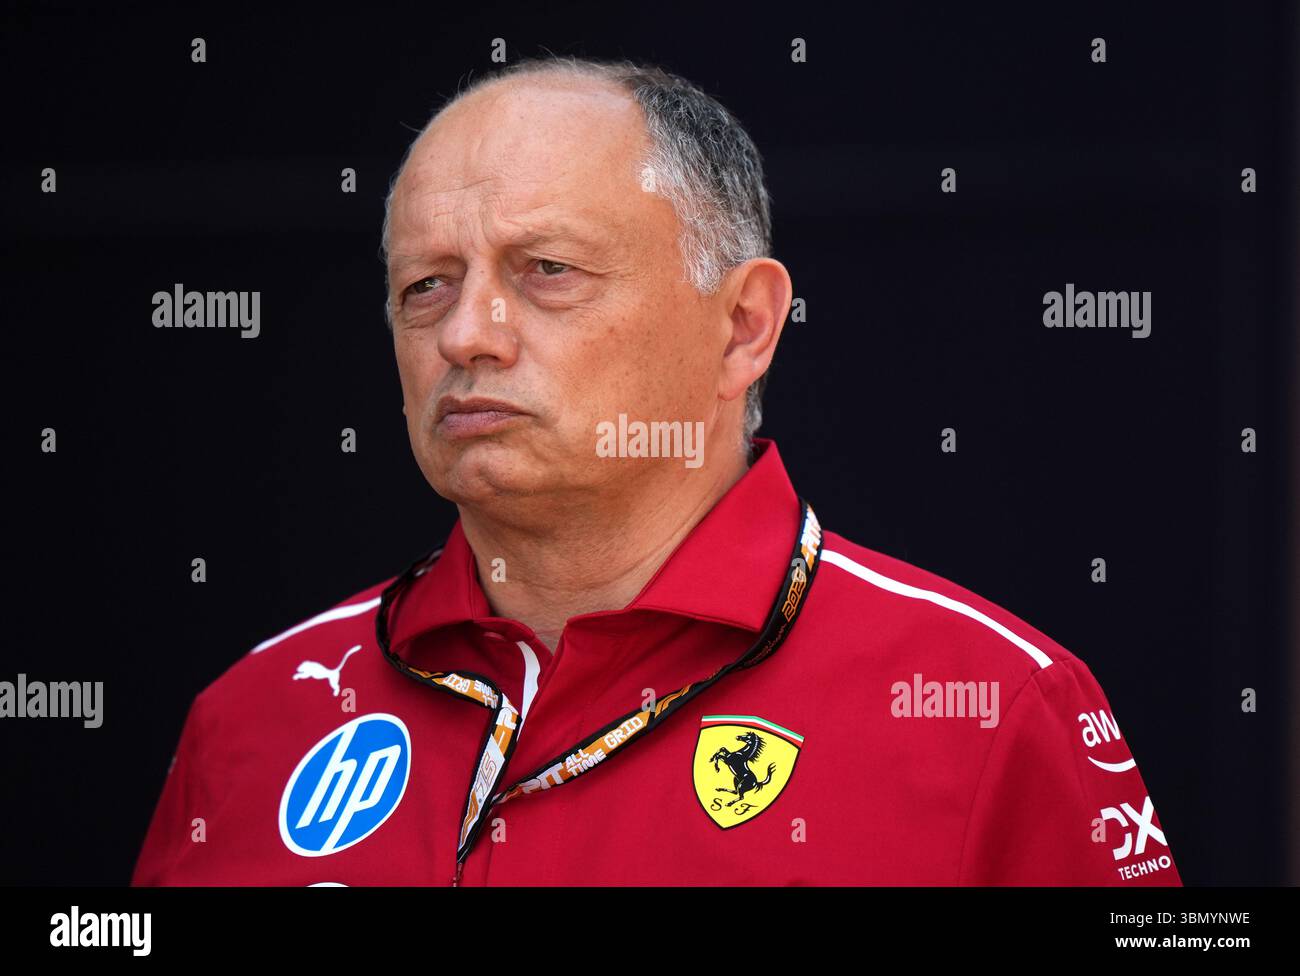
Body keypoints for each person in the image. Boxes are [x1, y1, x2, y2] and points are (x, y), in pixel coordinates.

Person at [132, 55, 1181, 886]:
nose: (469, 334)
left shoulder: (992, 705)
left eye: (546, 271)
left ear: (741, 326)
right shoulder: (254, 717)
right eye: (425, 285)